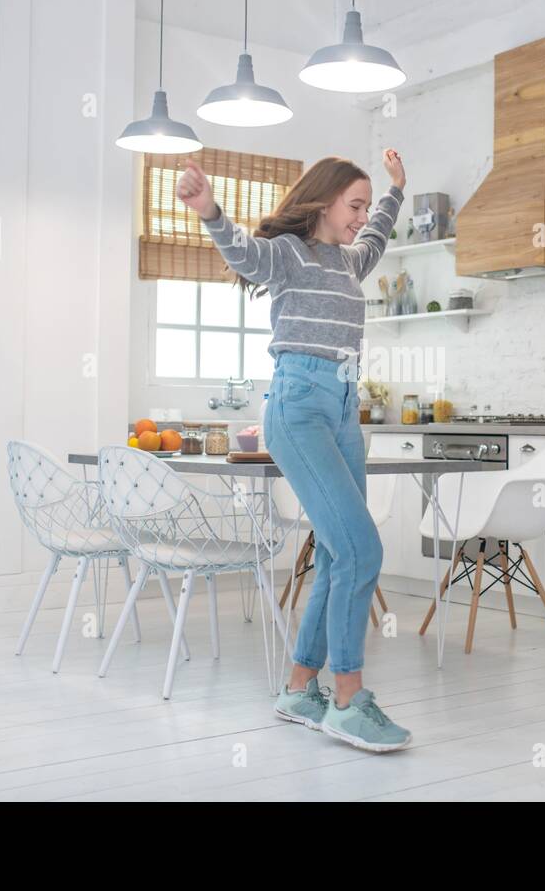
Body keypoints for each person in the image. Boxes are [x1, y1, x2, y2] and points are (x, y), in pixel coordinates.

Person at [176, 149, 412, 753]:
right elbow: (244, 255)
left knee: (338, 555)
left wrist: (394, 193)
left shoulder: (348, 261)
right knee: (361, 548)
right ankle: (348, 698)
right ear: (324, 200)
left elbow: (379, 237)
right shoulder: (289, 254)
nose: (361, 217)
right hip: (299, 406)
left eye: (364, 207)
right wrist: (209, 212)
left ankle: (300, 687)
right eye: (353, 205)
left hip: (341, 410)